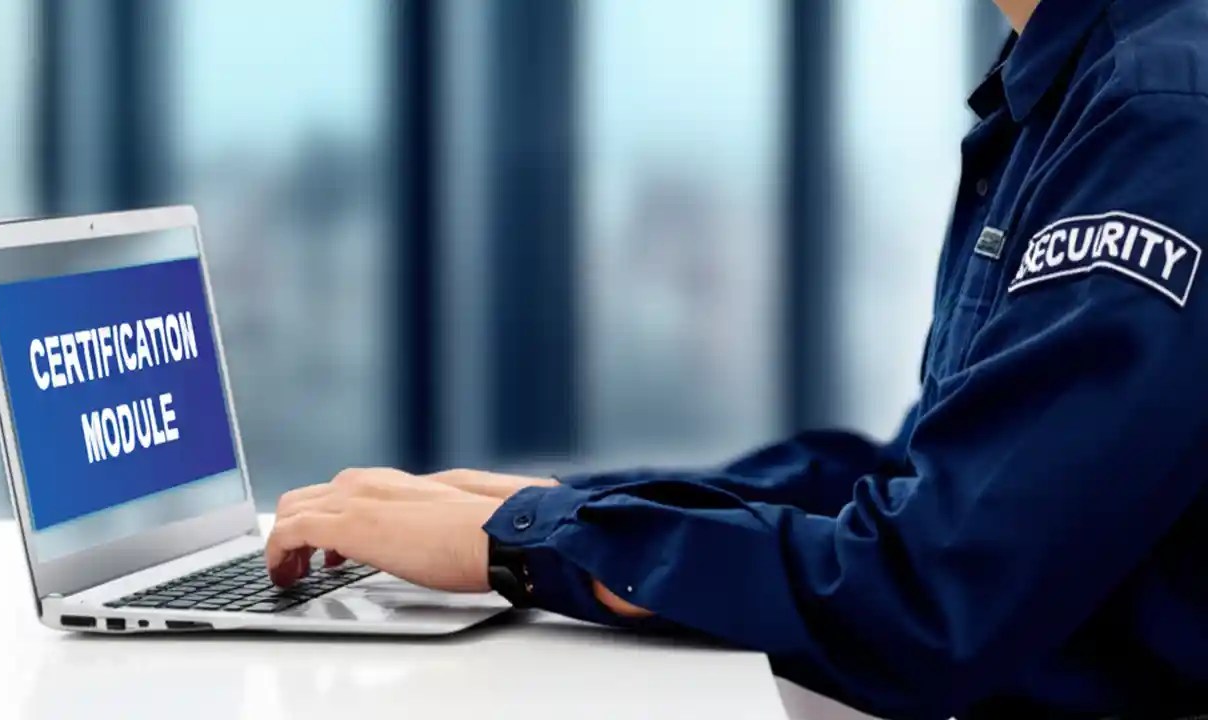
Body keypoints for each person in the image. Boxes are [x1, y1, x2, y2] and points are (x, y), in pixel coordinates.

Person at [264, 0, 1208, 717]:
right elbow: (910, 481)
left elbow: (935, 593)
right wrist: (557, 510)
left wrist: (533, 544)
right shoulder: (1072, 85)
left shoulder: (1163, 111)